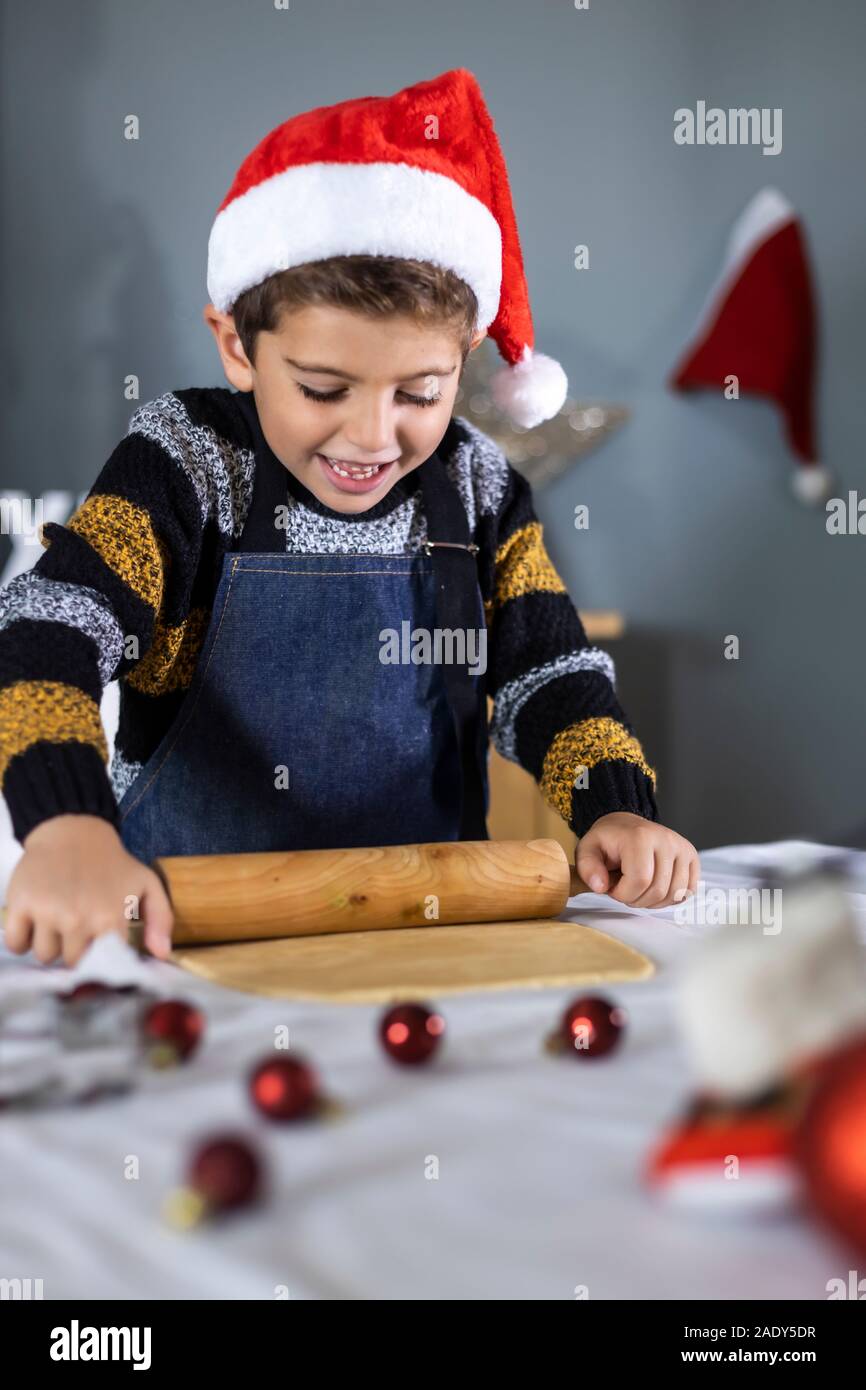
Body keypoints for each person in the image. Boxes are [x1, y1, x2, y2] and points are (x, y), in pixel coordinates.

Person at [0, 68, 698, 967]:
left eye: (421, 392)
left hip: (422, 935)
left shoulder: (477, 487)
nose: (373, 437)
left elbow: (547, 673)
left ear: (467, 360)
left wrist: (616, 807)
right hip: (181, 940)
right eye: (323, 388)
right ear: (236, 347)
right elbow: (46, 630)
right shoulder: (191, 462)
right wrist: (63, 823)